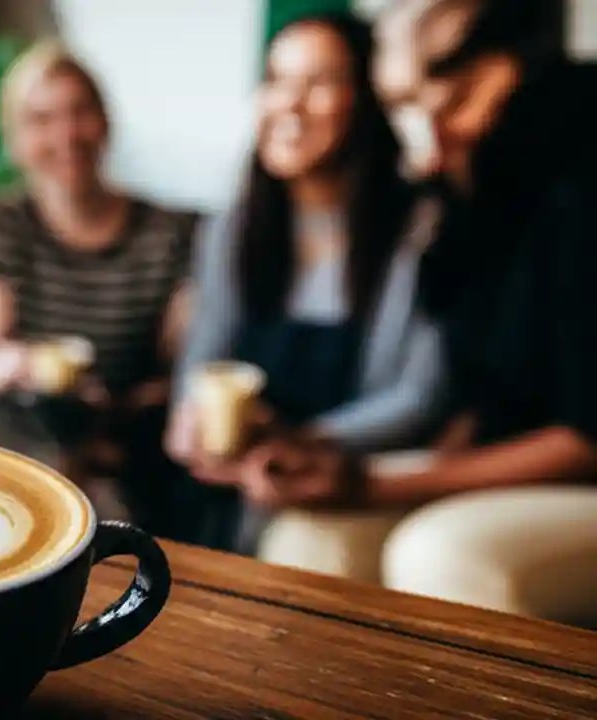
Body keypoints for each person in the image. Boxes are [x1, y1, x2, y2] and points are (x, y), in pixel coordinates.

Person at [242, 0, 597, 626]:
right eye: (403, 102)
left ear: (509, 65)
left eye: (450, 93)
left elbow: (583, 435)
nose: (427, 127)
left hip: (579, 468)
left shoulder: (576, 172)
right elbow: (481, 393)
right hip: (516, 459)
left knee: (443, 554)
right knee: (311, 536)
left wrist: (370, 484)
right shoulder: (468, 193)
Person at [166, 13, 444, 550]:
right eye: (277, 81)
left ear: (366, 98)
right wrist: (190, 414)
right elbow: (204, 354)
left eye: (318, 83)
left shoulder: (418, 229)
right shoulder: (234, 226)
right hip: (236, 480)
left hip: (348, 472)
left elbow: (418, 395)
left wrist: (299, 442)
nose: (289, 104)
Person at [0, 42, 195, 535]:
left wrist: (110, 415)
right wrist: (26, 375)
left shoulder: (169, 235)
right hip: (35, 446)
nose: (66, 134)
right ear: (14, 138)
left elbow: (181, 367)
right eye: (41, 119)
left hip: (139, 450)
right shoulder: (3, 227)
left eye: (80, 112)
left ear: (106, 122)